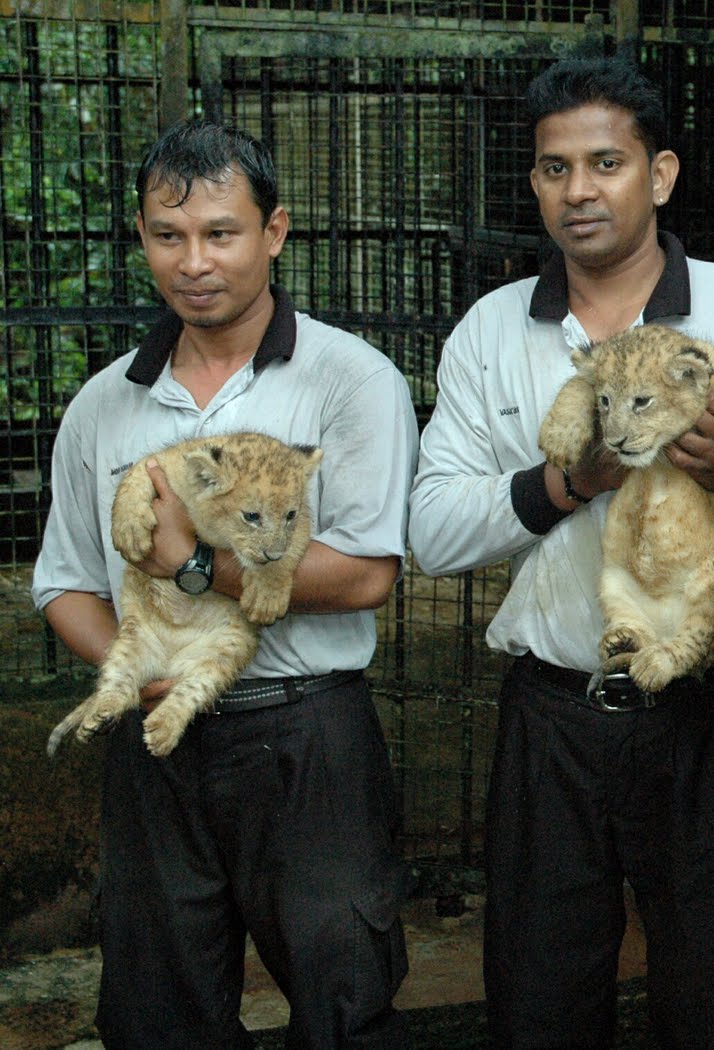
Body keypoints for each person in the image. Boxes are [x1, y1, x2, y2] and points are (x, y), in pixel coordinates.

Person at [406, 57, 714, 1048]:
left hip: (712, 715)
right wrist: (571, 481)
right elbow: (432, 532)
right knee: (540, 1003)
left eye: (607, 163)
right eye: (555, 168)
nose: (580, 190)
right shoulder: (491, 334)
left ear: (661, 174)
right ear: (534, 184)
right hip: (554, 719)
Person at [31, 119, 418, 1048]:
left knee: (342, 999)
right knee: (158, 1012)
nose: (194, 262)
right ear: (141, 237)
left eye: (220, 233)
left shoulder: (348, 380)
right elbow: (65, 582)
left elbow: (365, 573)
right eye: (169, 236)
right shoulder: (104, 403)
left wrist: (195, 564)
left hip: (304, 732)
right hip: (158, 744)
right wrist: (135, 672)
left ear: (273, 232)